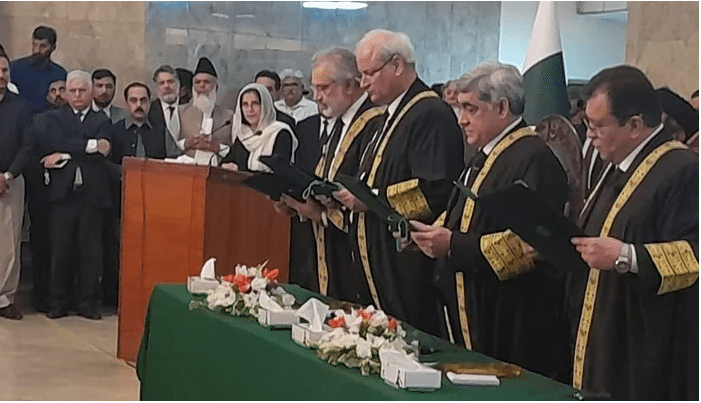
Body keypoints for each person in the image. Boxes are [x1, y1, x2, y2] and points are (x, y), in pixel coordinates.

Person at [409, 62, 571, 382]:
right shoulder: (483, 154)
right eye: (460, 108)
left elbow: (531, 245)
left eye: (470, 109)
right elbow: (458, 216)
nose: (462, 119)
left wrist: (452, 245)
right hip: (471, 301)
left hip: (509, 315)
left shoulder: (533, 157)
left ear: (501, 107)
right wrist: (425, 234)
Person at [569, 65, 698, 400]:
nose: (589, 136)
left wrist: (626, 256)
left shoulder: (683, 170)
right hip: (605, 324)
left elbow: (693, 257)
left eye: (597, 126)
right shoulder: (619, 164)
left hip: (644, 340)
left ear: (636, 125)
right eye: (587, 125)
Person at [335, 29, 464, 336]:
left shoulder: (430, 113)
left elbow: (435, 189)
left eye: (369, 74)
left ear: (396, 65)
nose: (363, 84)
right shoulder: (391, 114)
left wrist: (372, 199)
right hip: (382, 256)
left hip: (409, 261)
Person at [278, 47, 382, 304]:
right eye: (314, 89)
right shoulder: (341, 119)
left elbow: (367, 190)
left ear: (349, 85)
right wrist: (300, 202)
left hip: (357, 253)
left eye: (324, 88)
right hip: (328, 246)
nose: (317, 97)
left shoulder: (373, 122)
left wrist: (324, 214)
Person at [36, 70, 112, 320]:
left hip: (92, 195)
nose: (78, 95)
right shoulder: (54, 118)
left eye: (82, 90)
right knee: (61, 251)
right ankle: (58, 301)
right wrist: (88, 145)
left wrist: (66, 153)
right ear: (66, 93)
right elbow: (55, 140)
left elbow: (104, 148)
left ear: (90, 92)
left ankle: (88, 302)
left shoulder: (101, 119)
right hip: (62, 195)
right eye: (73, 91)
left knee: (90, 253)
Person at [0, 51, 34, 320]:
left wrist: (8, 175)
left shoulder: (21, 106)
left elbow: (28, 146)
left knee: (9, 242)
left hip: (11, 181)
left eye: (4, 71)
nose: (1, 76)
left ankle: (4, 298)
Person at [220, 83, 296, 172]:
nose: (250, 109)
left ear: (265, 105)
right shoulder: (243, 135)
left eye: (255, 103)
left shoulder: (280, 133)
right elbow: (227, 161)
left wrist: (239, 170)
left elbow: (280, 173)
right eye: (245, 104)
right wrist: (225, 165)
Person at [178, 57, 234, 163]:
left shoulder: (228, 116)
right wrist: (187, 143)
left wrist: (216, 147)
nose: (201, 85)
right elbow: (170, 145)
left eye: (206, 82)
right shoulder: (180, 112)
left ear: (215, 87)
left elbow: (235, 152)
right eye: (197, 82)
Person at [10, 26, 67, 113]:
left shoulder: (59, 74)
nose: (37, 50)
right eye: (35, 45)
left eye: (43, 46)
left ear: (53, 48)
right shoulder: (15, 68)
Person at [147, 65, 181, 157]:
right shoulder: (149, 111)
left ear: (178, 85)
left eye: (170, 82)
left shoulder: (189, 107)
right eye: (162, 83)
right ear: (156, 88)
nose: (166, 86)